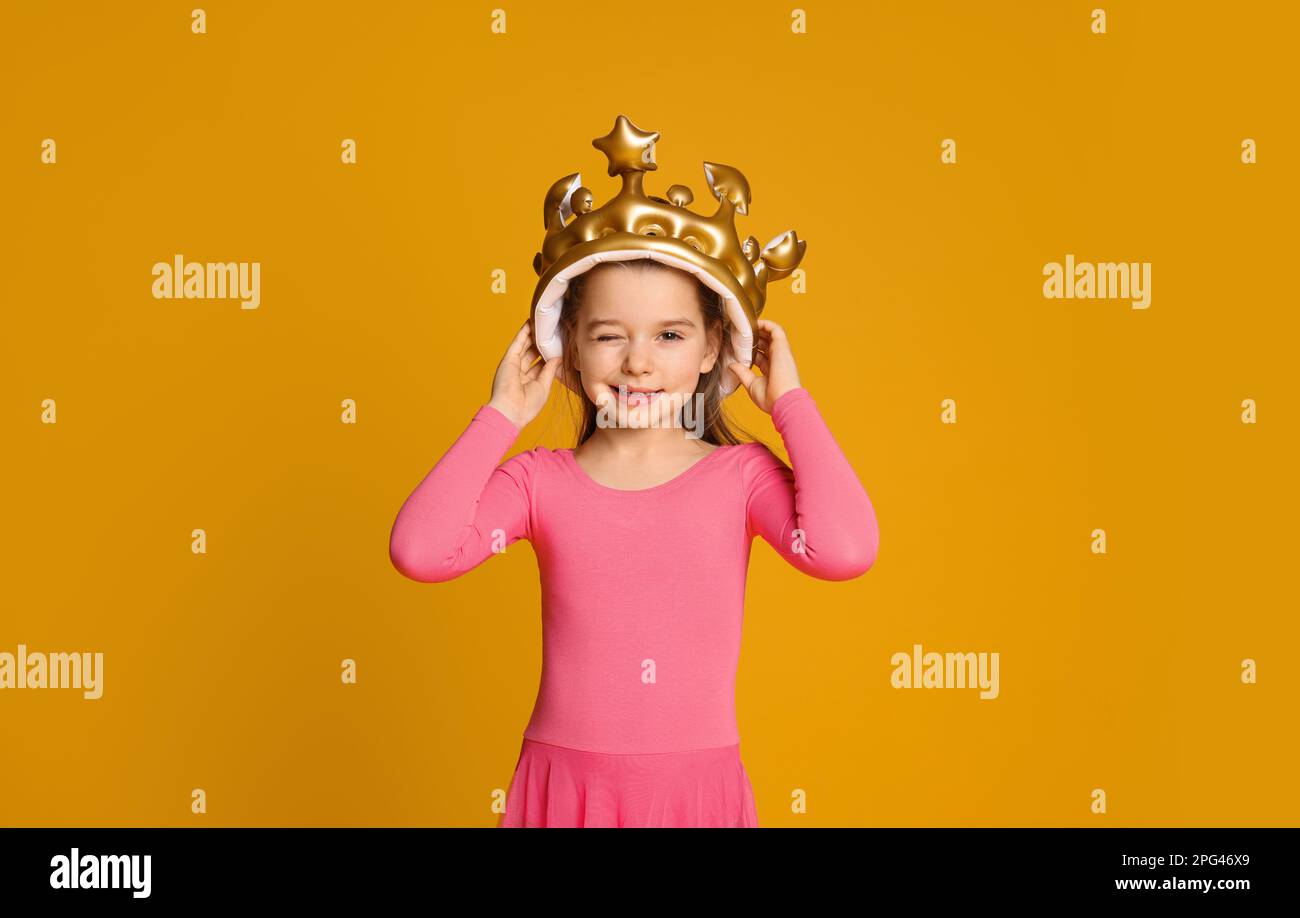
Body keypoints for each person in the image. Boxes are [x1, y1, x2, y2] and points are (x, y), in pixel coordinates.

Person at [390, 114, 879, 826]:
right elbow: (418, 550)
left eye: (670, 335)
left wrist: (790, 404)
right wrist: (500, 414)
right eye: (609, 336)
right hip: (562, 794)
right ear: (571, 352)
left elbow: (846, 549)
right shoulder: (539, 483)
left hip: (696, 797)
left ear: (715, 349)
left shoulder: (739, 477)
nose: (639, 363)